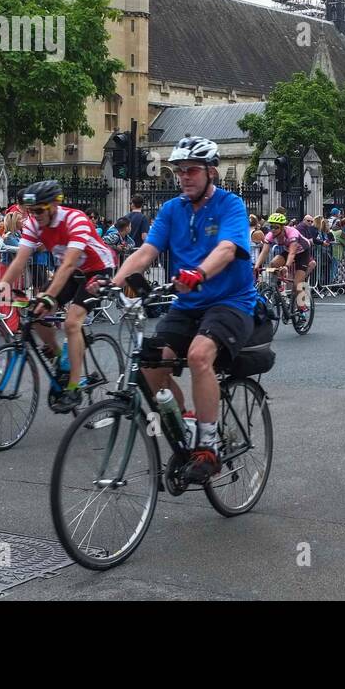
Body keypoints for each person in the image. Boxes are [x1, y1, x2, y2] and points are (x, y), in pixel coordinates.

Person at [109, 136, 259, 484]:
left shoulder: (230, 204)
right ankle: (186, 422)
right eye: (178, 171)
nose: (184, 177)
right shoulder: (171, 210)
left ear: (210, 172)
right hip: (188, 304)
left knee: (198, 355)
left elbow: (226, 248)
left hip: (230, 302)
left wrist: (199, 272)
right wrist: (113, 281)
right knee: (149, 367)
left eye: (191, 170)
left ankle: (208, 446)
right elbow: (147, 251)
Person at [0, 181, 117, 412]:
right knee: (36, 313)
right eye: (31, 211)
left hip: (97, 270)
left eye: (40, 210)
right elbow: (20, 260)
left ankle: (73, 387)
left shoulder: (76, 219)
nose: (34, 215)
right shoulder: (33, 223)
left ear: (54, 206)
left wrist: (49, 297)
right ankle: (61, 358)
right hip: (69, 271)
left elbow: (70, 262)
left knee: (72, 321)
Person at [253, 212, 312, 313]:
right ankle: (278, 286)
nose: (273, 229)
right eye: (271, 226)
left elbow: (293, 253)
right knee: (273, 263)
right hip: (288, 251)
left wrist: (286, 266)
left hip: (302, 253)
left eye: (276, 227)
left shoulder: (292, 233)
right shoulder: (271, 234)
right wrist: (256, 266)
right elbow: (264, 252)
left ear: (282, 227)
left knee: (297, 284)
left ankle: (302, 307)